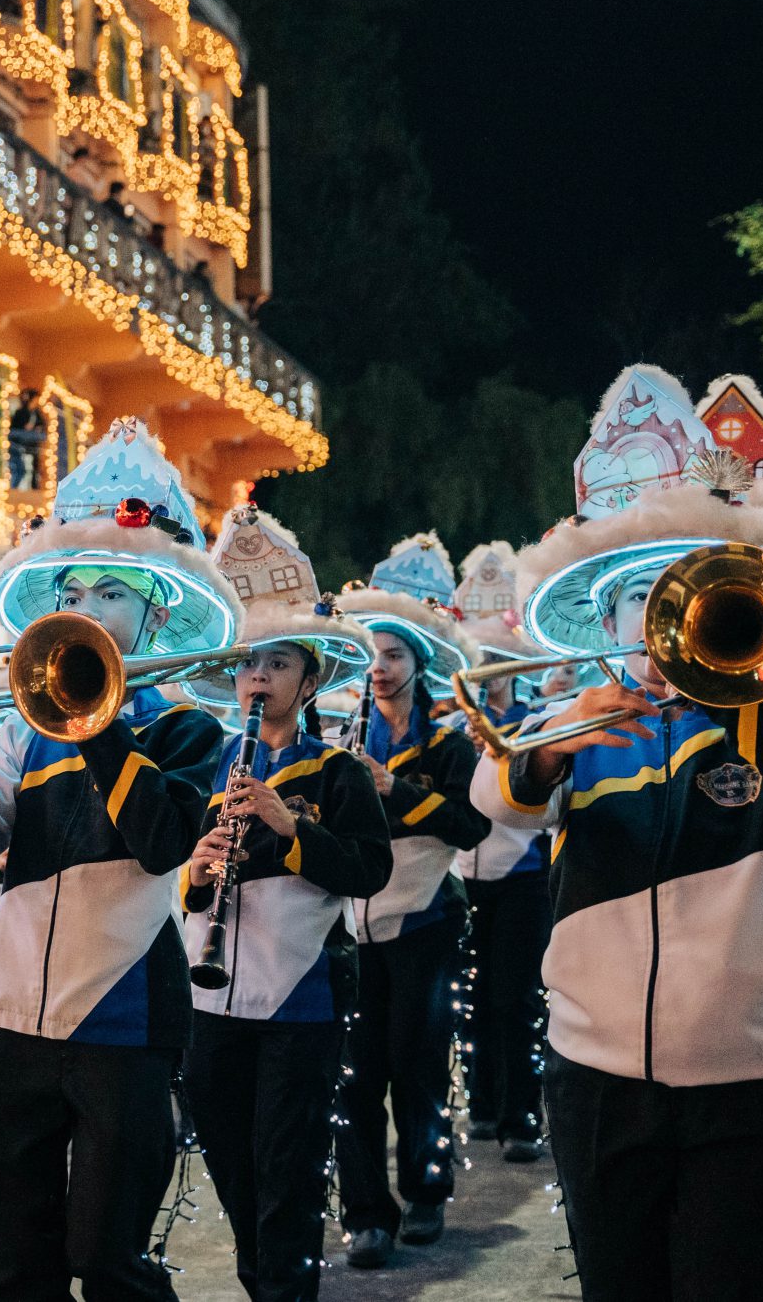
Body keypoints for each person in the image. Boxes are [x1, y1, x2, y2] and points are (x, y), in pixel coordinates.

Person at [471, 365, 763, 1300]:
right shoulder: (577, 713)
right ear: (610, 620)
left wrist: (757, 698)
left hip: (758, 1082)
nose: (655, 629)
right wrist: (549, 750)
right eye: (635, 604)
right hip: (596, 1079)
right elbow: (490, 807)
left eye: (675, 597)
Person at [0, 419, 233, 1302]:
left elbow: (162, 841)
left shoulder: (185, 726)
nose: (90, 609)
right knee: (13, 1265)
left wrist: (99, 726)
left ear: (156, 612)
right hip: (12, 1015)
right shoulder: (23, 728)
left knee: (110, 1264)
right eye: (76, 590)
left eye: (112, 593)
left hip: (126, 1022)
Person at [178, 506, 392, 1302]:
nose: (258, 675)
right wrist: (198, 870)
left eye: (277, 662)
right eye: (247, 663)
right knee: (232, 1161)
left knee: (287, 1168)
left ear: (308, 682)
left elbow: (368, 870)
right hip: (216, 996)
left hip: (301, 1000)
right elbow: (185, 888)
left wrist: (284, 824)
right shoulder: (211, 773)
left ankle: (282, 1287)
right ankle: (260, 1274)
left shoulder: (335, 774)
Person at [329, 537, 489, 1268]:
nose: (381, 667)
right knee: (353, 1076)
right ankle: (366, 1214)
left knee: (418, 1067)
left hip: (427, 923)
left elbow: (472, 823)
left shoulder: (453, 745)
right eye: (372, 654)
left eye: (394, 653)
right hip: (351, 934)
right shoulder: (340, 740)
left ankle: (426, 1191)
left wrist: (399, 792)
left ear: (419, 661)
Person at [453, 598, 552, 1162]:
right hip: (467, 876)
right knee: (472, 996)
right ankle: (485, 1103)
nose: (488, 673)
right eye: (480, 660)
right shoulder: (452, 728)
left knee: (516, 998)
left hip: (522, 875)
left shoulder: (533, 725)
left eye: (498, 661)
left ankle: (522, 1114)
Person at [7, 386, 48, 491]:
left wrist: (37, 428)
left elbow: (42, 425)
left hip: (31, 443)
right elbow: (14, 427)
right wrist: (25, 428)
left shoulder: (37, 413)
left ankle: (35, 487)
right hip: (18, 444)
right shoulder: (21, 412)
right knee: (19, 469)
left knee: (34, 466)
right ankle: (14, 488)